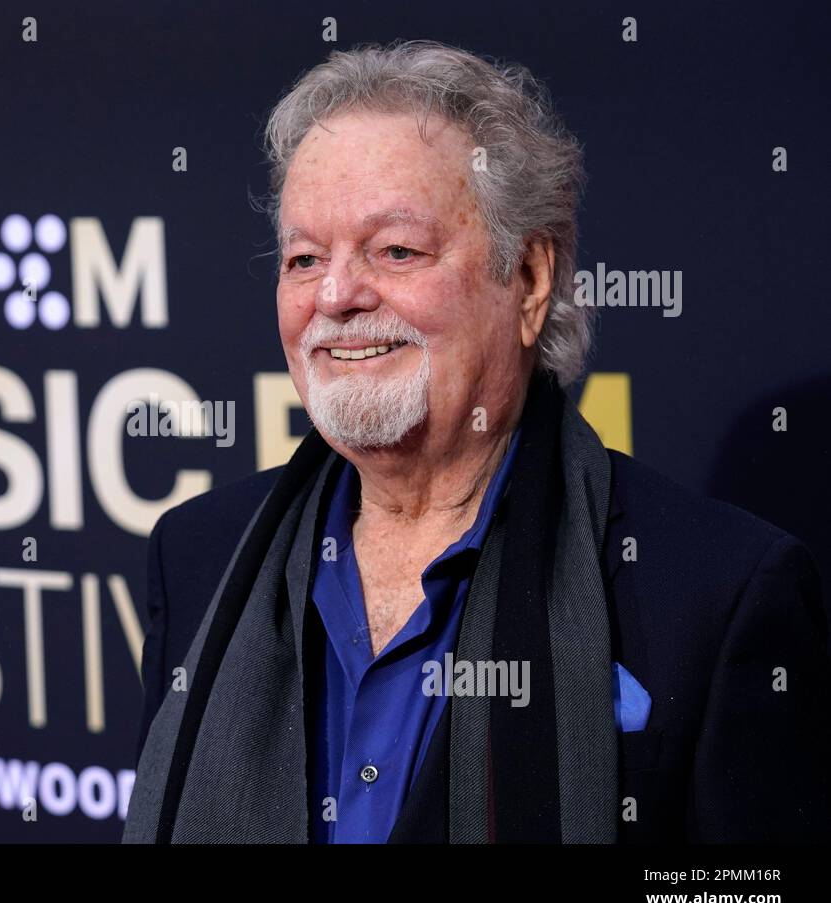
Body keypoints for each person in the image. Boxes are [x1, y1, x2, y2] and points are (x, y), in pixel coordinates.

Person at [123, 39, 831, 843]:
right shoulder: (199, 557)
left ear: (529, 280)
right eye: (304, 257)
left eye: (396, 250)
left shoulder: (715, 595)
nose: (337, 294)